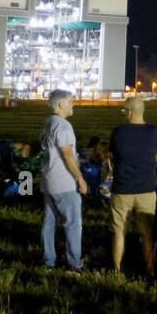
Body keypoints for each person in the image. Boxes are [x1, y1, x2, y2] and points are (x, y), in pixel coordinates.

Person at [109, 95, 157, 276]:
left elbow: (112, 156)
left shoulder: (119, 132)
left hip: (122, 188)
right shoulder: (155, 132)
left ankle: (117, 270)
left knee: (119, 232)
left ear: (130, 112)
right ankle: (150, 270)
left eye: (124, 111)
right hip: (147, 189)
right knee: (147, 233)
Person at [40, 89, 87, 271]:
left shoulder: (48, 123)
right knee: (73, 223)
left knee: (49, 223)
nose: (73, 104)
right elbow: (67, 155)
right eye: (71, 101)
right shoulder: (63, 126)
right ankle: (74, 264)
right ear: (61, 105)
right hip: (64, 182)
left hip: (49, 180)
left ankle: (48, 261)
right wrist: (80, 178)